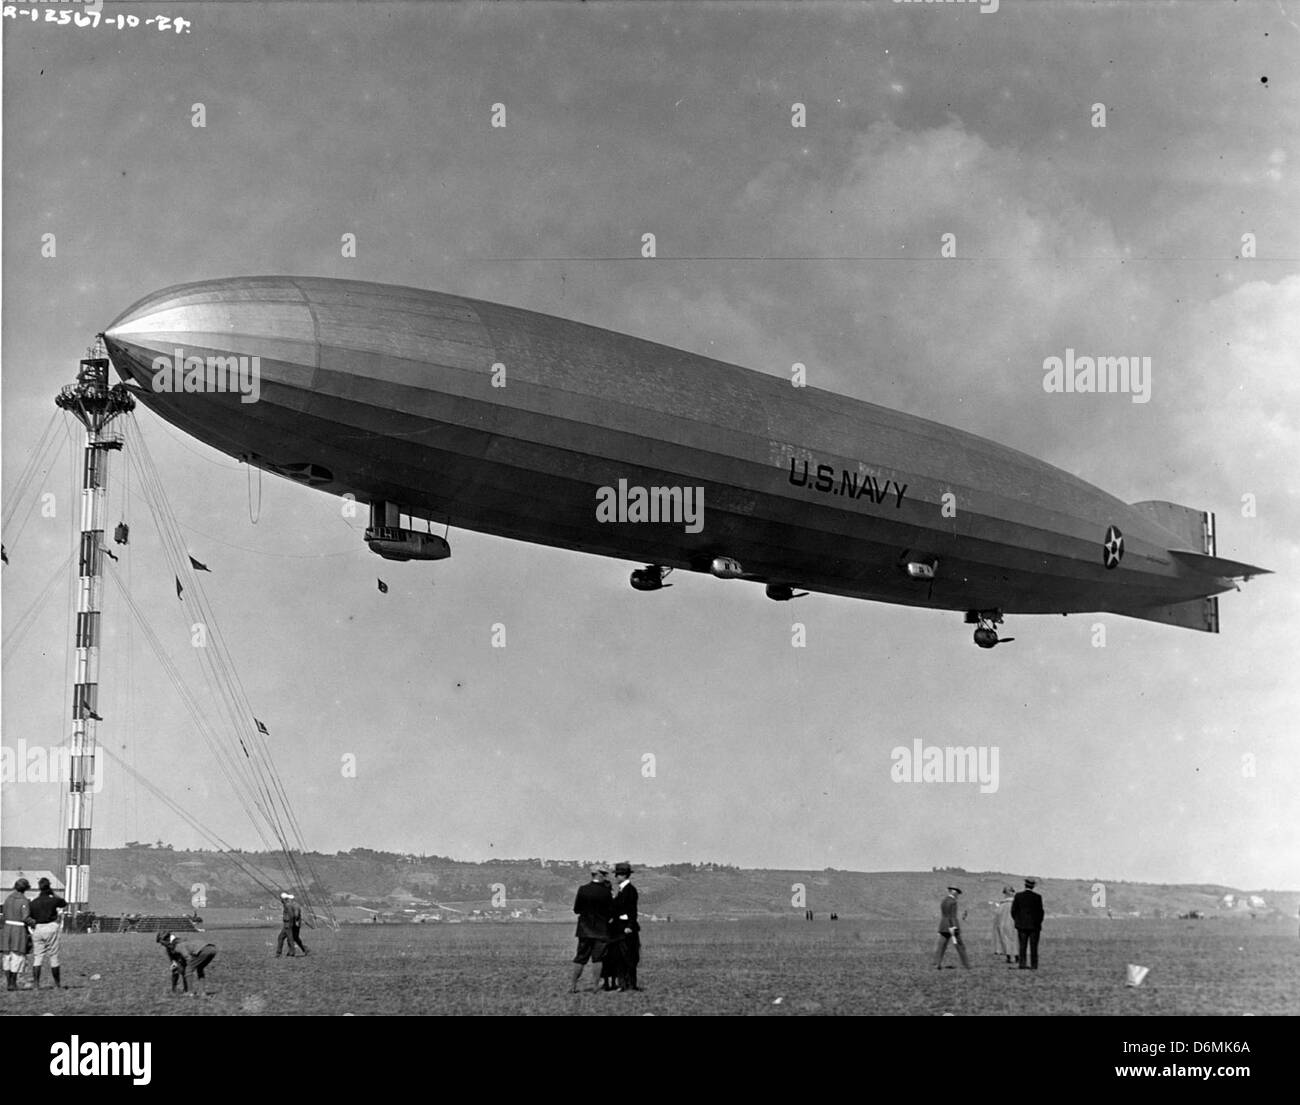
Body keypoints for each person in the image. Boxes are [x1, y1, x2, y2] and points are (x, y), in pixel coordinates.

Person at [570, 866, 612, 992]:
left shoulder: (582, 889)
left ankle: (573, 985)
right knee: (598, 959)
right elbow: (610, 911)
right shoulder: (606, 892)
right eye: (604, 874)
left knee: (580, 958)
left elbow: (576, 909)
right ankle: (595, 986)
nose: (605, 876)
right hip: (601, 930)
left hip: (584, 929)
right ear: (599, 875)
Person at [27, 877, 67, 989]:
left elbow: (31, 915)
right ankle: (57, 984)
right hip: (51, 927)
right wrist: (53, 894)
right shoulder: (53, 899)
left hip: (38, 928)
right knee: (53, 956)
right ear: (49, 886)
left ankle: (36, 984)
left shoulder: (34, 902)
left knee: (38, 957)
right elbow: (63, 903)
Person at [607, 862, 640, 991]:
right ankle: (623, 984)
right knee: (620, 957)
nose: (616, 877)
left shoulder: (630, 890)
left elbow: (633, 910)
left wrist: (630, 925)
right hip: (619, 928)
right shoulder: (622, 890)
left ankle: (630, 984)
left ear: (624, 875)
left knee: (628, 957)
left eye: (618, 875)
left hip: (626, 929)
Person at [157, 931, 218, 997]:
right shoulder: (176, 944)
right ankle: (202, 993)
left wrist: (188, 968)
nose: (162, 945)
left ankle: (190, 992)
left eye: (162, 943)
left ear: (167, 940)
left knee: (188, 969)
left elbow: (188, 958)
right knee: (200, 968)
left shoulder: (178, 946)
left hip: (204, 950)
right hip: (212, 949)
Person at [3, 878, 32, 991]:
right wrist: (34, 922)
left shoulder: (8, 899)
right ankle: (12, 983)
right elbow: (25, 917)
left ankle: (8, 981)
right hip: (18, 929)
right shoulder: (24, 900)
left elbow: (4, 914)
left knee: (7, 955)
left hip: (6, 928)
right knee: (17, 955)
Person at [1011, 877, 1045, 970]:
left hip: (1021, 926)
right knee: (1034, 947)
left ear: (1025, 885)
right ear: (1033, 886)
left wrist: (1018, 921)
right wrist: (1038, 923)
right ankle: (1034, 965)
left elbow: (1013, 911)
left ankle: (1022, 964)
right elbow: (1040, 912)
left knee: (1022, 946)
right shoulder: (1037, 897)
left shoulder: (1018, 896)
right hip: (1034, 926)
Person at [934, 886, 970, 969]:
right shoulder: (953, 902)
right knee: (960, 946)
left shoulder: (944, 901)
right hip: (952, 927)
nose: (958, 895)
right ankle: (966, 964)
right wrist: (954, 927)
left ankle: (937, 963)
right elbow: (952, 916)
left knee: (941, 946)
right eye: (957, 893)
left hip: (943, 926)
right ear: (954, 892)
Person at [275, 892, 309, 957]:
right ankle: (299, 950)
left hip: (289, 924)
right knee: (289, 938)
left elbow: (293, 915)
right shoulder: (290, 905)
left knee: (290, 938)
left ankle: (290, 952)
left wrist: (293, 922)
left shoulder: (289, 905)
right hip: (289, 924)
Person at [991, 885, 1016, 964]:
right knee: (1015, 940)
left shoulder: (1001, 905)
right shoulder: (1015, 903)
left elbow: (997, 916)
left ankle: (1008, 957)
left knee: (1006, 940)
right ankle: (1017, 957)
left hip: (1003, 925)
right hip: (1014, 924)